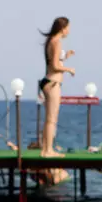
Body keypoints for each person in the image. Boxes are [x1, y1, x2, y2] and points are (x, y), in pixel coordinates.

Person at [38, 17, 76, 157]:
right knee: (52, 119)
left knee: (50, 118)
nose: (69, 31)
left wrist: (65, 56)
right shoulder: (57, 42)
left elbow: (54, 60)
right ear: (63, 28)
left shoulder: (51, 41)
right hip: (53, 83)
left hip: (49, 81)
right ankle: (48, 151)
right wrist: (69, 69)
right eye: (68, 28)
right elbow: (55, 66)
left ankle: (46, 149)